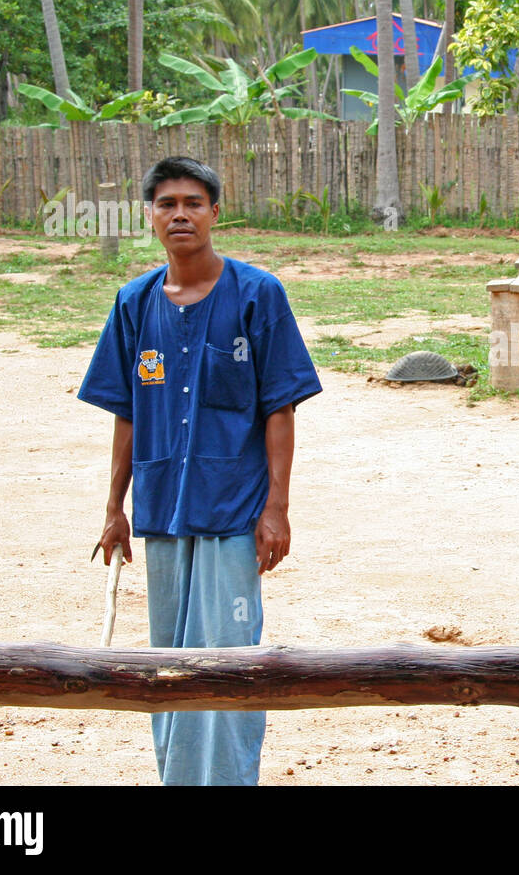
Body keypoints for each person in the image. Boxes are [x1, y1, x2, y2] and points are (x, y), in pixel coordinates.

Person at [78, 156, 321, 785]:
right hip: (161, 511)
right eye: (166, 204)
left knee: (232, 660)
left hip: (232, 510)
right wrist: (114, 508)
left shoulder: (257, 294)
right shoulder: (133, 304)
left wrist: (276, 508)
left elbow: (280, 407)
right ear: (151, 217)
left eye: (192, 202)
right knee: (172, 664)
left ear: (216, 212)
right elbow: (126, 413)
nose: (179, 214)